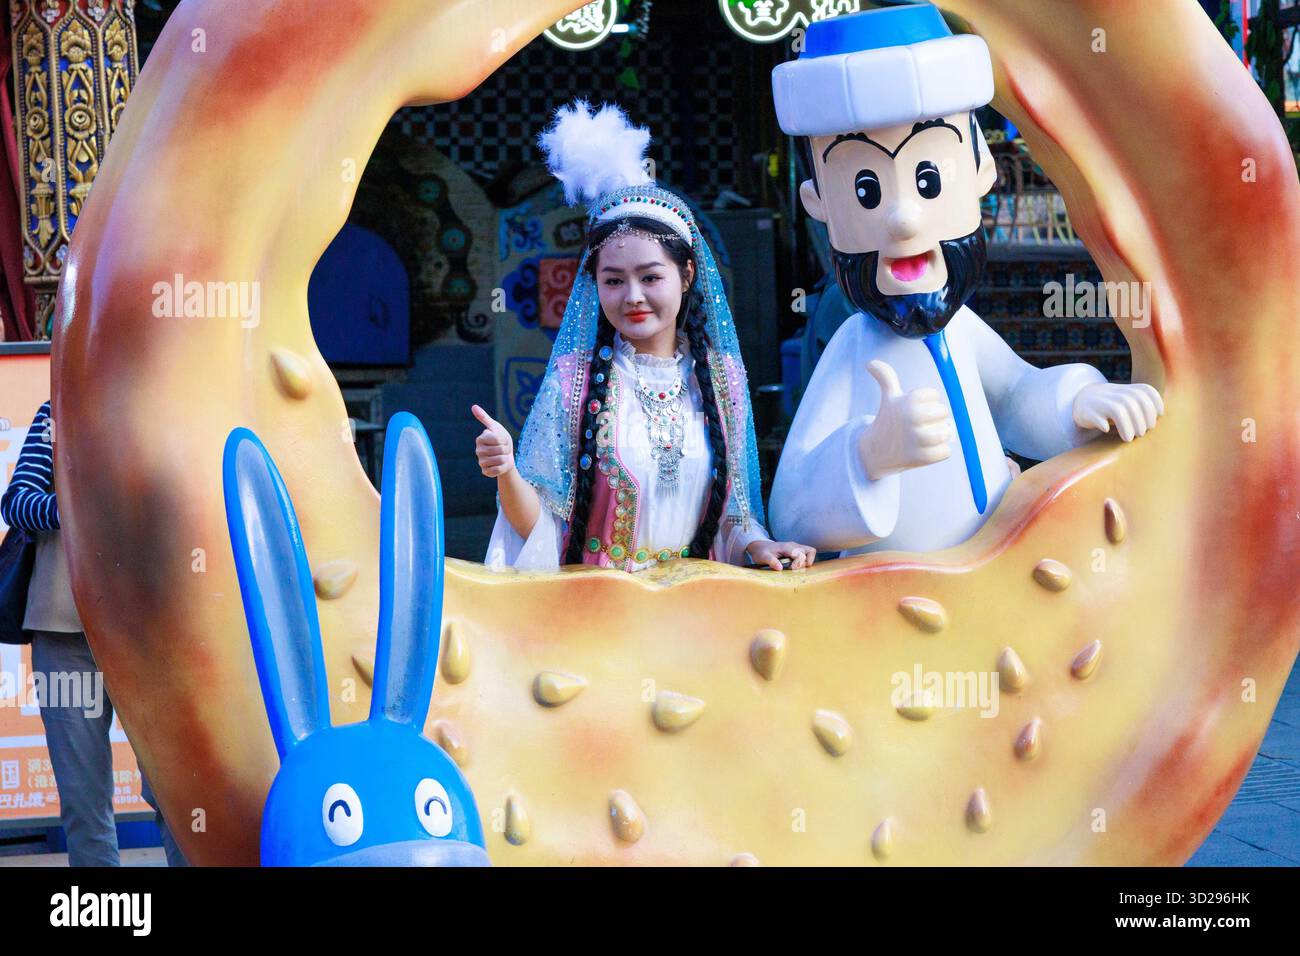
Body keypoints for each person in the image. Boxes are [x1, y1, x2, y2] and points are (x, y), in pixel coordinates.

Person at [768, 4, 1164, 557]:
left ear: (981, 170)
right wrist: (868, 455)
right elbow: (791, 512)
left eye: (927, 179)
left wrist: (1079, 400)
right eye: (866, 191)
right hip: (894, 596)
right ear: (819, 204)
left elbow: (1015, 395)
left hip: (993, 579)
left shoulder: (964, 331)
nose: (903, 219)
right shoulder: (852, 348)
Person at [477, 101, 815, 573]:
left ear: (687, 274)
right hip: (602, 611)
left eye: (651, 277)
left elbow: (734, 514)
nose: (632, 296)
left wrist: (759, 546)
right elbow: (540, 527)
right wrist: (507, 470)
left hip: (692, 608)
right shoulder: (574, 382)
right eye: (613, 280)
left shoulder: (723, 380)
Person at [1, 399, 186, 866]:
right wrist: (83, 505)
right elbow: (17, 502)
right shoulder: (56, 413)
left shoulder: (159, 402)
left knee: (176, 791)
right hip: (63, 633)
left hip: (148, 636)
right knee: (84, 801)